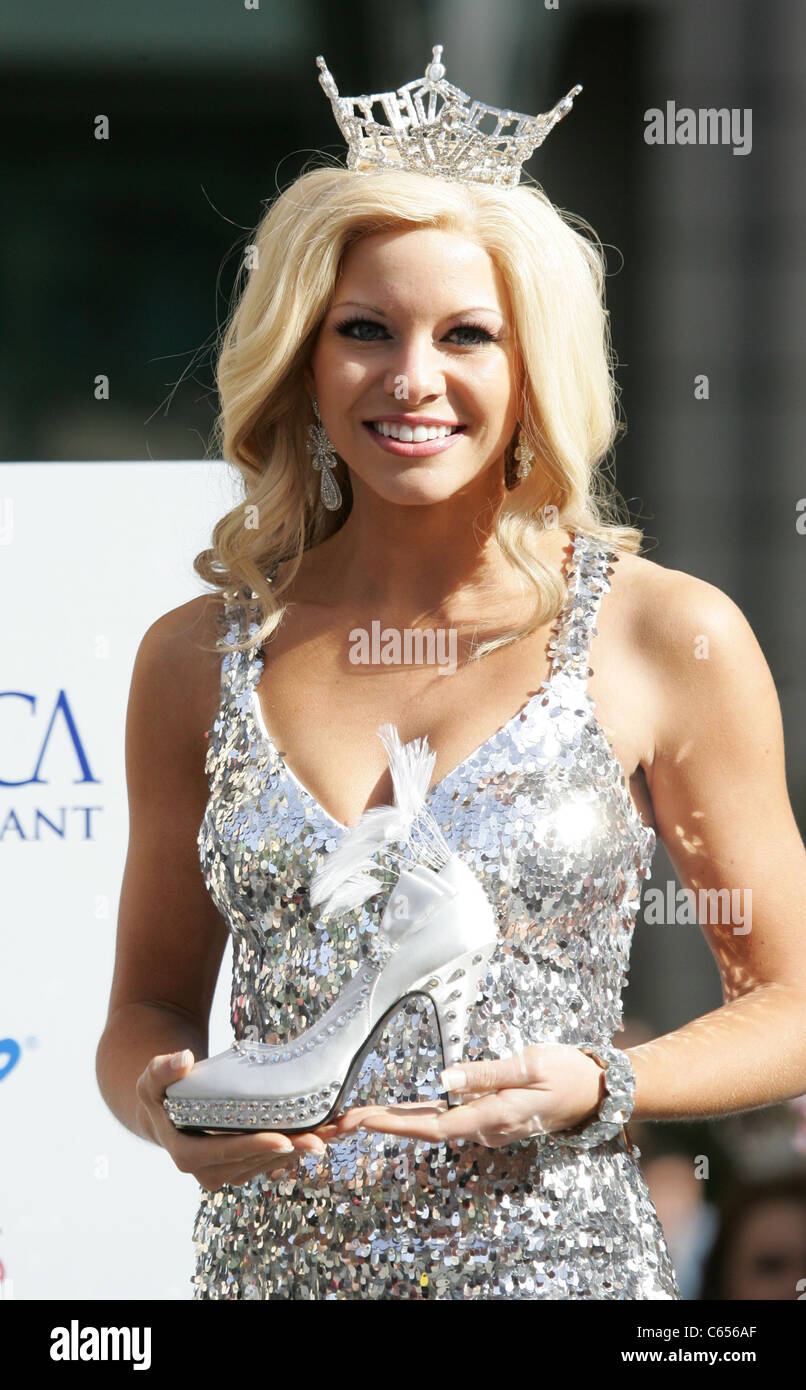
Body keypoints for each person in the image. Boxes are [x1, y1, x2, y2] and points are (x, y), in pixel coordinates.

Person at [95, 48, 806, 1300]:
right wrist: (168, 1108)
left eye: (466, 334)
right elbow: (142, 1016)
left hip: (564, 1278)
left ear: (533, 366)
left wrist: (602, 1080)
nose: (411, 378)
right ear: (304, 365)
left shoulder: (662, 635)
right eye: (364, 330)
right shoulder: (194, 658)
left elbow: (793, 1001)